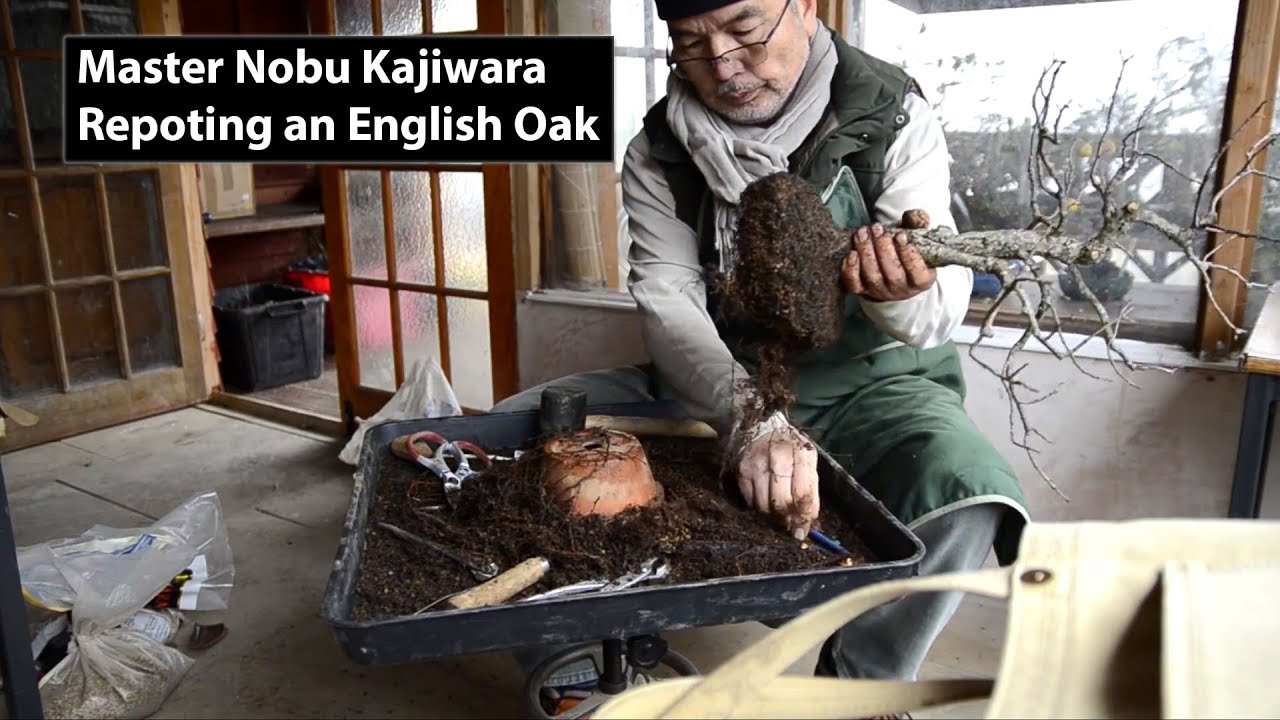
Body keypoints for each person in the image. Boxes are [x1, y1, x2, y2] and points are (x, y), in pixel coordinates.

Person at [490, 0, 1030, 715]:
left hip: (872, 384)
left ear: (803, 8)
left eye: (744, 31)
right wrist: (751, 416)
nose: (721, 65)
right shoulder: (660, 151)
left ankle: (864, 689)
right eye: (690, 43)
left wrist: (902, 289)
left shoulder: (890, 117)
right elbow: (671, 302)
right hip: (716, 378)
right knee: (512, 436)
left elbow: (933, 321)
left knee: (969, 490)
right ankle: (578, 669)